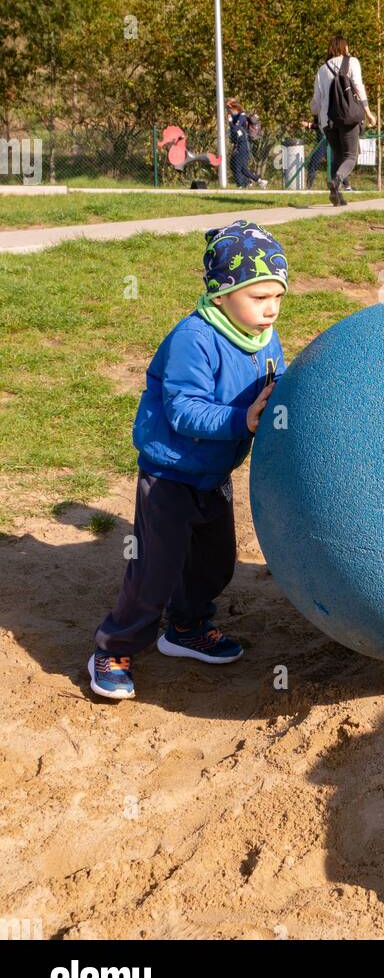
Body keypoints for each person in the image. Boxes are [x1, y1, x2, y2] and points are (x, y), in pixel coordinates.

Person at [88, 220, 288, 701]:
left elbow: (274, 383)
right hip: (171, 473)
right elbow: (183, 410)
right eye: (258, 298)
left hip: (215, 473)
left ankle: (186, 628)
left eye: (278, 298)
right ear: (222, 295)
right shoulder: (194, 339)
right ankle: (114, 647)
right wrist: (245, 421)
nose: (271, 310)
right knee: (155, 569)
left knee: (214, 564)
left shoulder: (264, 338)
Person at [310, 35, 375, 206]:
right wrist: (368, 113)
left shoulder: (321, 69)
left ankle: (337, 196)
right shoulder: (352, 62)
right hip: (347, 116)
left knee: (338, 156)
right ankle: (337, 179)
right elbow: (359, 87)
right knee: (351, 156)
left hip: (327, 121)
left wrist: (316, 112)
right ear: (344, 48)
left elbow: (315, 103)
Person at [226, 98, 266, 189]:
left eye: (229, 108)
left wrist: (230, 120)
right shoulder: (235, 116)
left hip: (243, 144)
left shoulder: (242, 116)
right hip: (237, 144)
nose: (228, 111)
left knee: (239, 168)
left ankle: (242, 184)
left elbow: (235, 128)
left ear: (235, 108)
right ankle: (254, 181)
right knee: (235, 166)